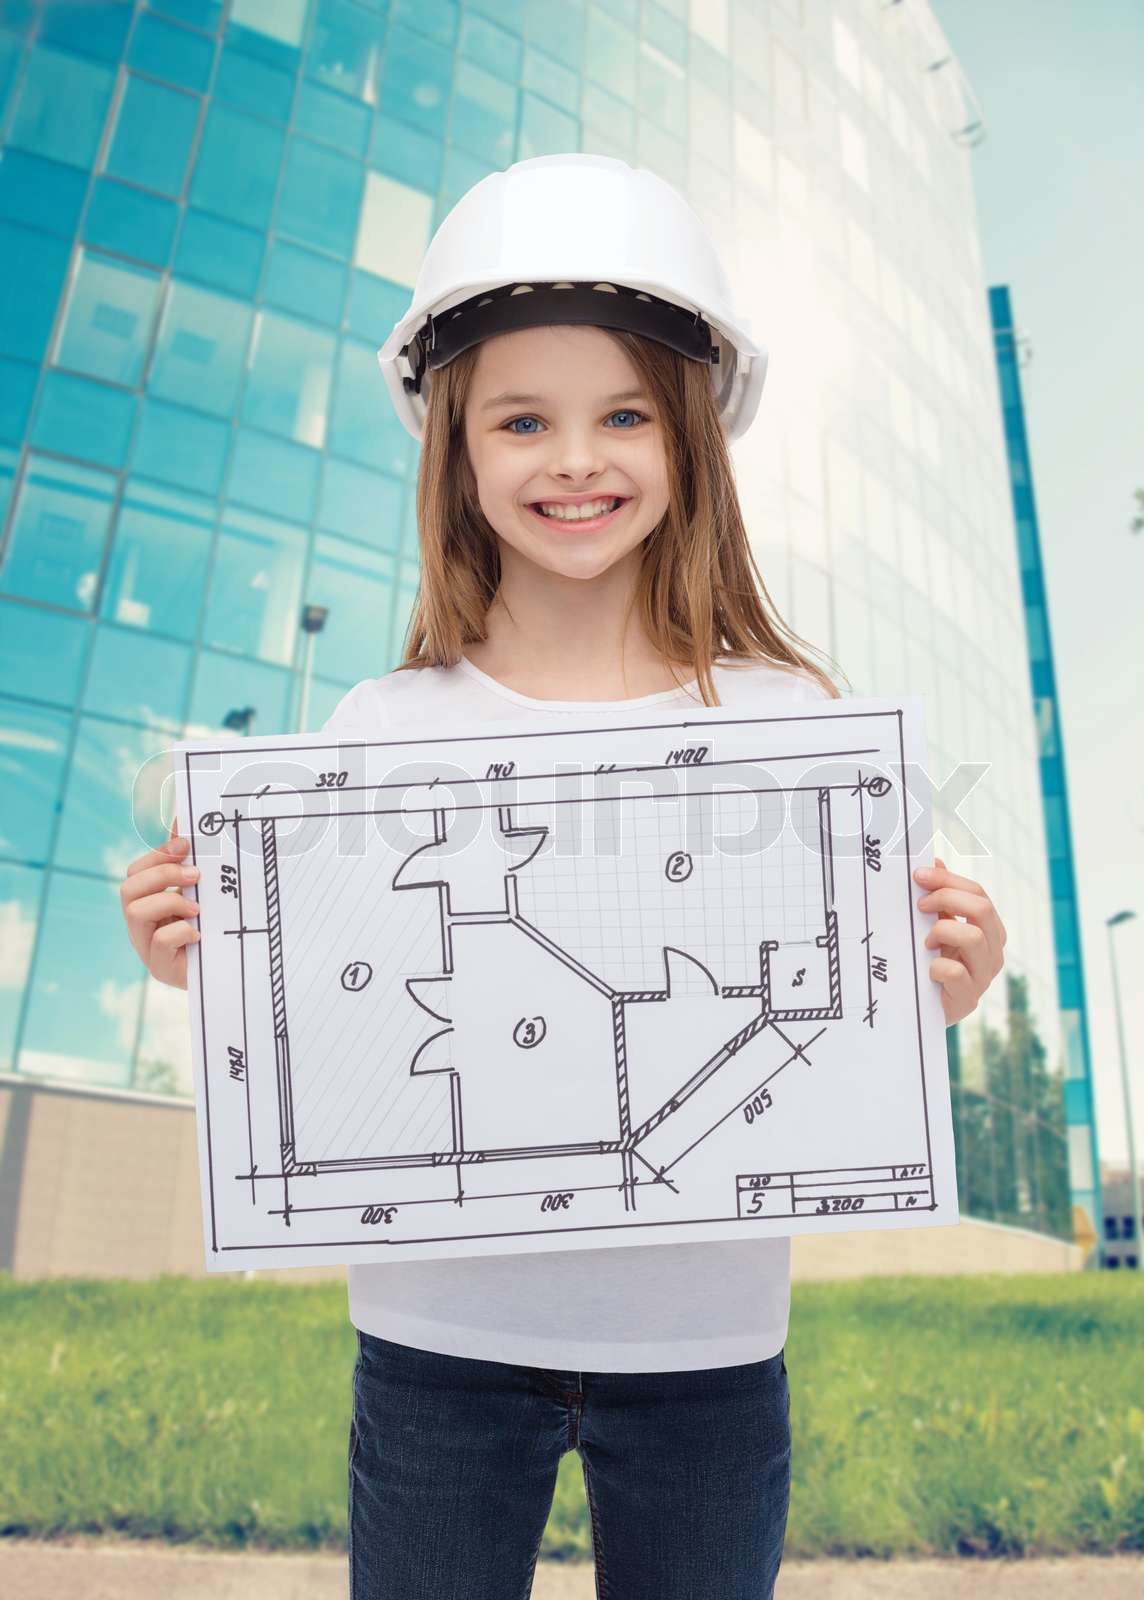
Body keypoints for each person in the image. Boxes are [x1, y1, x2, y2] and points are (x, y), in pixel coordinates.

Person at [120, 155, 1007, 1600]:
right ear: (456, 451)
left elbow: (848, 1020)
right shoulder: (377, 734)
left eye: (623, 417)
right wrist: (197, 960)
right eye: (523, 420)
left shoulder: (785, 723)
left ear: (691, 440)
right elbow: (327, 1018)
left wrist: (946, 981)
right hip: (436, 1353)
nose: (575, 460)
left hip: (707, 1358)